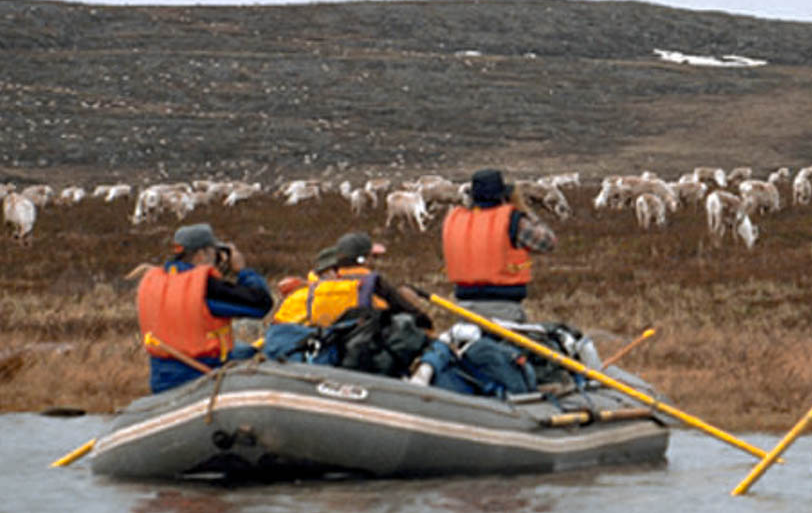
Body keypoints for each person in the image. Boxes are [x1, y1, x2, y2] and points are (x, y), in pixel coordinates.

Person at [136, 223, 273, 393]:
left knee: (243, 350)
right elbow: (261, 304)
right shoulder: (204, 287)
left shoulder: (152, 281)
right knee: (264, 353)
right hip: (200, 376)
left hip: (161, 378)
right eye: (213, 253)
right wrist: (243, 272)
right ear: (201, 255)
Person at [442, 168, 556, 323]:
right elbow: (547, 242)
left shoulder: (456, 221)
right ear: (503, 196)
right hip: (504, 308)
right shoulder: (511, 221)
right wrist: (522, 209)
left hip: (464, 308)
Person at [269, 232, 432, 330]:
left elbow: (276, 330)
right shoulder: (371, 289)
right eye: (372, 257)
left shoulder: (303, 295)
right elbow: (414, 319)